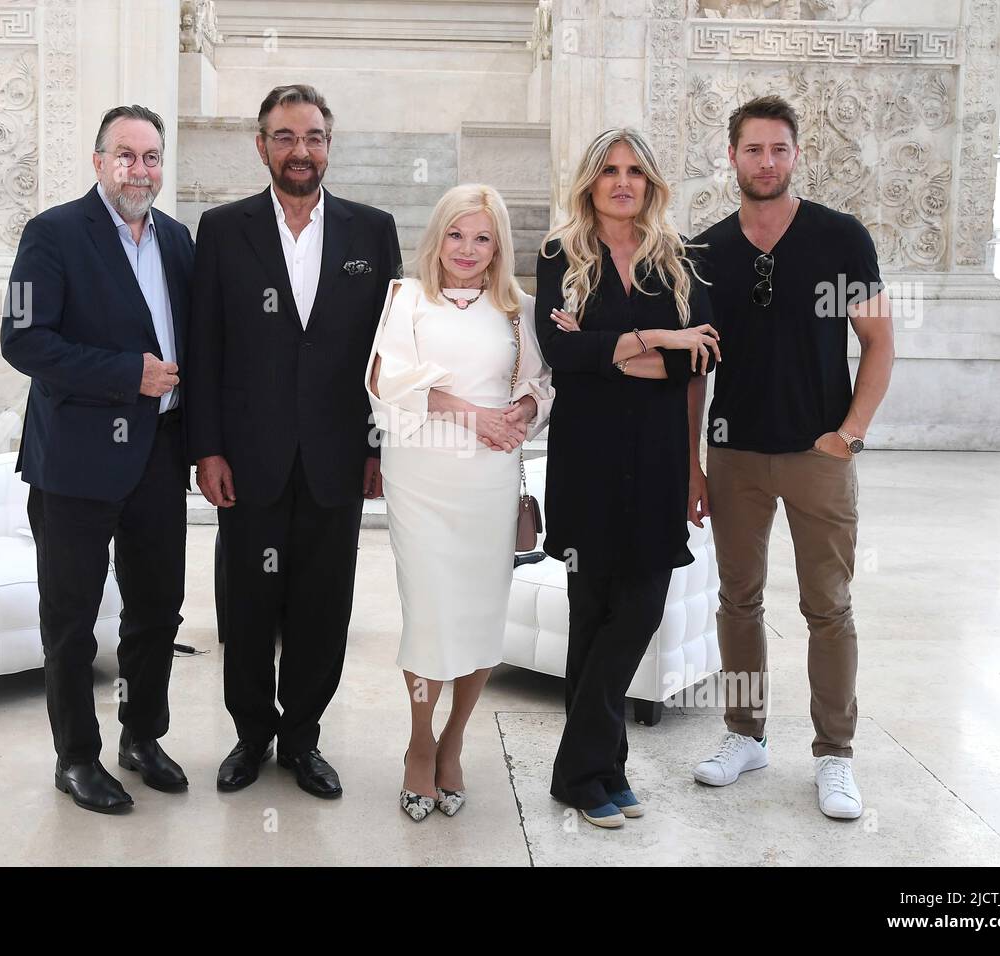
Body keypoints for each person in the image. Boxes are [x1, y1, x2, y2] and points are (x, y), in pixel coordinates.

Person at [188, 84, 402, 799]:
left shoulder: (372, 233)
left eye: (312, 137)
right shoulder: (221, 230)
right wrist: (206, 447)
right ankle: (252, 736)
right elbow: (206, 345)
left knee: (322, 605)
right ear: (262, 147)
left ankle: (303, 739)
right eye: (284, 137)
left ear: (329, 147)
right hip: (248, 460)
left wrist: (378, 447)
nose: (300, 150)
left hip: (337, 458)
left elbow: (387, 351)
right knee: (246, 603)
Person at [688, 95, 894, 820]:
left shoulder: (840, 238)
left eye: (778, 149)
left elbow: (879, 341)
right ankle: (744, 735)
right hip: (734, 453)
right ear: (732, 156)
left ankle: (835, 754)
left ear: (796, 154)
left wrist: (849, 435)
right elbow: (695, 370)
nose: (766, 162)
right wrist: (694, 464)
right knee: (737, 601)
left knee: (828, 607)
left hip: (818, 453)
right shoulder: (704, 251)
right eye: (753, 150)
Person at [1, 105, 194, 814]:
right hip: (76, 462)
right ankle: (75, 758)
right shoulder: (50, 234)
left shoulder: (177, 240)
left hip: (158, 459)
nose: (139, 169)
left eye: (150, 157)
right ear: (98, 162)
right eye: (125, 155)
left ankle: (142, 736)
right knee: (72, 620)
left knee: (156, 610)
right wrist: (126, 373)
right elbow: (22, 340)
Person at [536, 128, 719, 829]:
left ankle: (578, 768)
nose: (622, 182)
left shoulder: (683, 260)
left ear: (651, 183)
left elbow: (699, 364)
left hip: (657, 458)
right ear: (590, 181)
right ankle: (601, 771)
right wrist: (660, 340)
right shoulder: (562, 253)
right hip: (585, 458)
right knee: (592, 616)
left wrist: (617, 350)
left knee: (639, 609)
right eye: (609, 170)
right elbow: (561, 352)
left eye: (635, 171)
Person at [367, 184, 554, 821]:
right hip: (422, 476)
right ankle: (419, 744)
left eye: (481, 237)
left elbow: (540, 384)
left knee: (478, 617)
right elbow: (386, 381)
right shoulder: (406, 297)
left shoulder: (516, 308)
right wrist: (477, 415)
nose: (467, 250)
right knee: (429, 616)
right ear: (436, 237)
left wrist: (521, 412)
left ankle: (455, 741)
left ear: (498, 243)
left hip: (490, 481)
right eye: (455, 235)